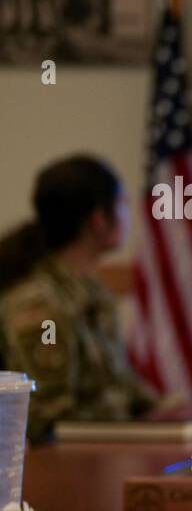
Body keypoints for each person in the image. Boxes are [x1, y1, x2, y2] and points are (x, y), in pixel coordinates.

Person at [0, 154, 157, 441]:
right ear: (98, 219)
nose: (128, 215)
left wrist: (169, 414)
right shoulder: (40, 306)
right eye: (122, 204)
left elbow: (121, 385)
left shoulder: (91, 291)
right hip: (63, 467)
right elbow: (48, 420)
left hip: (102, 450)